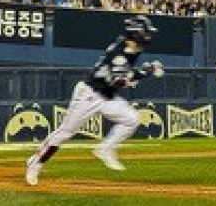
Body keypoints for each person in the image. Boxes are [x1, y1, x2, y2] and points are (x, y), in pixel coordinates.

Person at [26, 15, 163, 185]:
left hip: (106, 96)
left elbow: (121, 78)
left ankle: (105, 148)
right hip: (89, 95)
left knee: (132, 119)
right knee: (65, 132)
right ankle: (35, 164)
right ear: (136, 34)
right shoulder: (119, 53)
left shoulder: (131, 49)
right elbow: (119, 81)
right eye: (145, 34)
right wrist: (145, 72)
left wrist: (141, 72)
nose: (148, 38)